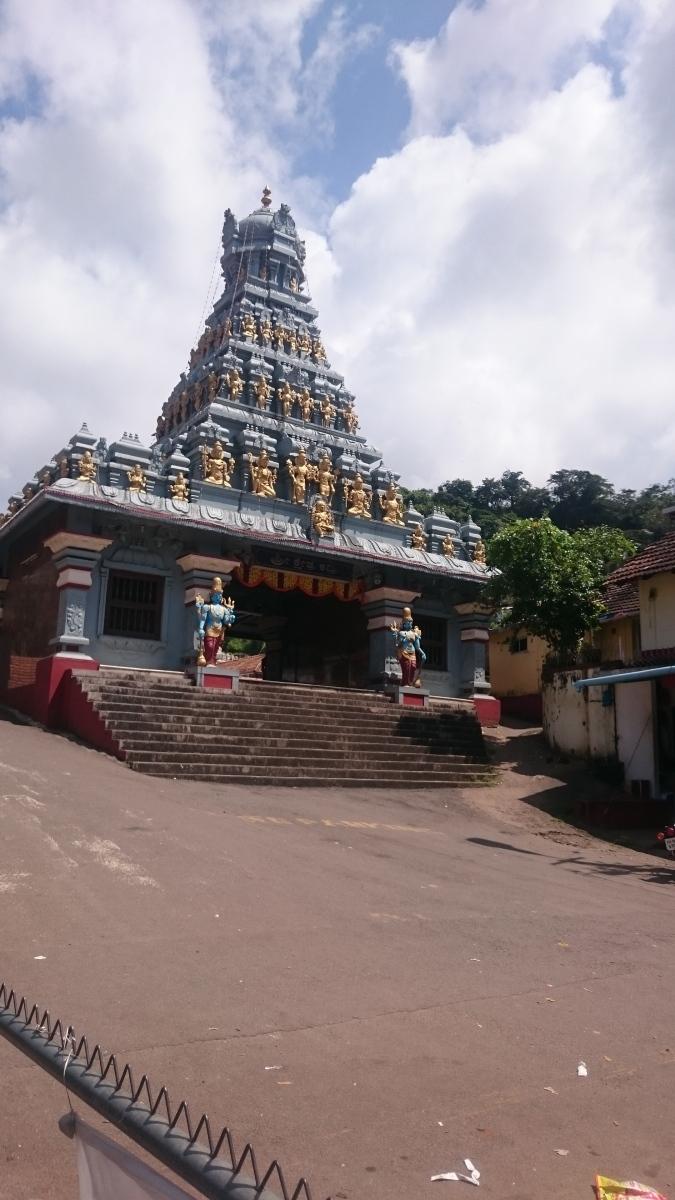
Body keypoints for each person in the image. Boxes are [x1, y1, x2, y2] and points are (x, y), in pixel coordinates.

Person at [390, 607, 426, 687]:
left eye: (410, 623)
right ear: (404, 623)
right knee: (406, 668)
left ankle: (410, 683)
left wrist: (423, 653)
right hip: (404, 652)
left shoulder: (414, 633)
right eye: (407, 623)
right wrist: (405, 640)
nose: (409, 624)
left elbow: (417, 646)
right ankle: (405, 683)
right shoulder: (401, 633)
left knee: (413, 667)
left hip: (412, 653)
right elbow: (398, 644)